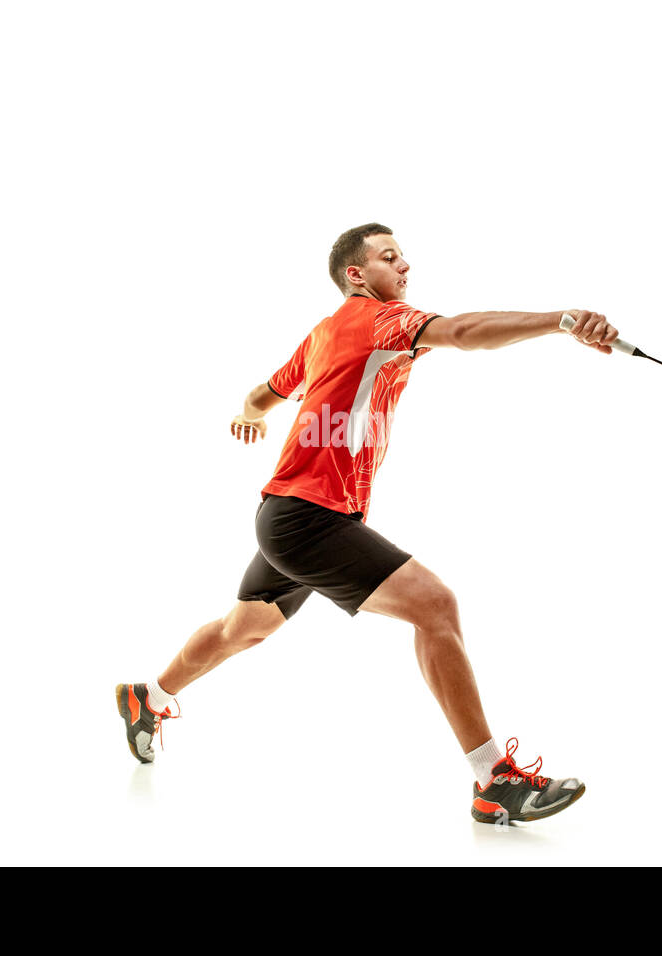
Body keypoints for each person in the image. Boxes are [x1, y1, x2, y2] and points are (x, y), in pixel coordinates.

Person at [116, 223, 618, 824]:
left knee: (241, 629)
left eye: (403, 256)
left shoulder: (325, 332)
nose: (404, 266)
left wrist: (249, 415)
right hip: (308, 521)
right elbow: (462, 332)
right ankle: (494, 781)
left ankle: (148, 698)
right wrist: (560, 320)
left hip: (285, 516)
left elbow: (262, 393)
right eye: (389, 257)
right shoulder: (381, 319)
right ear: (357, 275)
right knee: (435, 606)